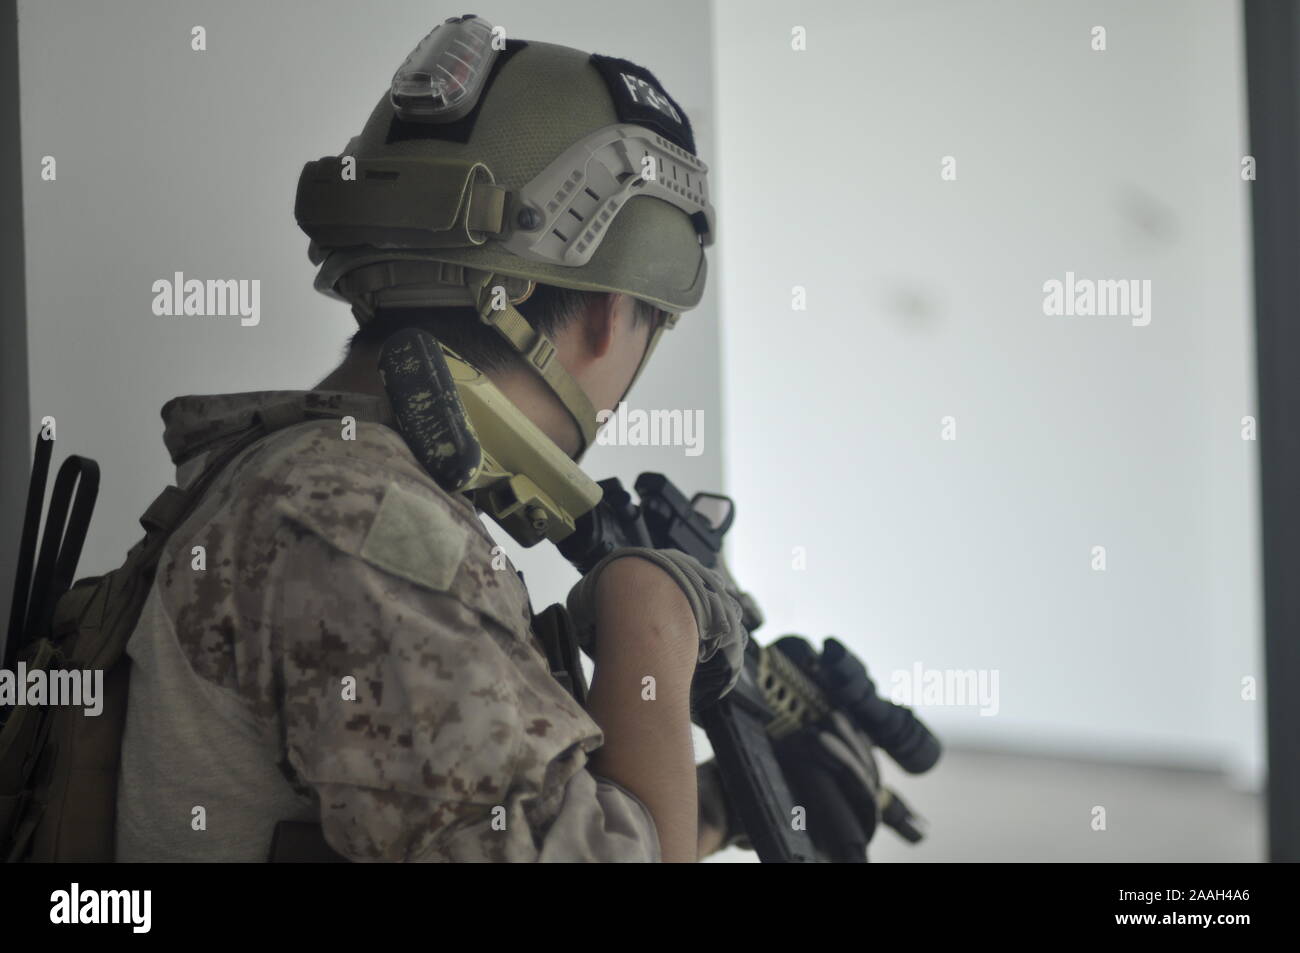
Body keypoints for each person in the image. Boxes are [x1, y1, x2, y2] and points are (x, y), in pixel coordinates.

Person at [113, 19, 747, 863]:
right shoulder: (357, 521)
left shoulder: (306, 482)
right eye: (650, 323)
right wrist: (654, 623)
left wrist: (721, 805)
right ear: (609, 314)